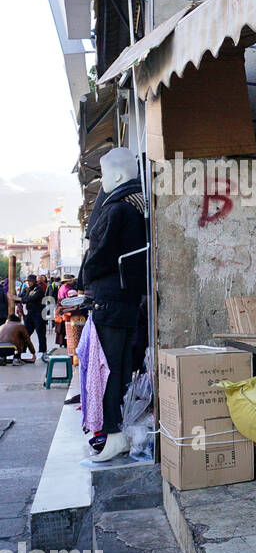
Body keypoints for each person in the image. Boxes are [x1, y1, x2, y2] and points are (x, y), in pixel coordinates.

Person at [79, 147, 148, 462]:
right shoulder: (137, 205)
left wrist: (86, 278)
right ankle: (116, 431)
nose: (102, 180)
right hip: (127, 302)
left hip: (108, 300)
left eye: (104, 174)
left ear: (118, 176)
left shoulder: (116, 208)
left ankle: (112, 434)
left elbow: (99, 255)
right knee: (118, 369)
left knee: (105, 371)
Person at [19, 275, 48, 357]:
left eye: (30, 281)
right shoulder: (26, 289)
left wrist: (21, 299)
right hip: (29, 314)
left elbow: (31, 298)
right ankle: (23, 351)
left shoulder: (38, 289)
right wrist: (20, 299)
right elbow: (21, 297)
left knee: (41, 334)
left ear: (34, 281)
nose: (29, 282)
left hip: (39, 314)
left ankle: (42, 352)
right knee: (26, 334)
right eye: (28, 281)